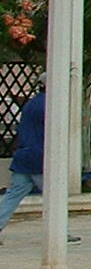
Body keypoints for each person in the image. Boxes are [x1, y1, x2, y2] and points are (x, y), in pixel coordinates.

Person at [0, 91, 44, 241]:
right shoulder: (50, 105)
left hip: (24, 154)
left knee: (13, 195)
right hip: (39, 157)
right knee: (54, 196)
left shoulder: (31, 104)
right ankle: (58, 232)